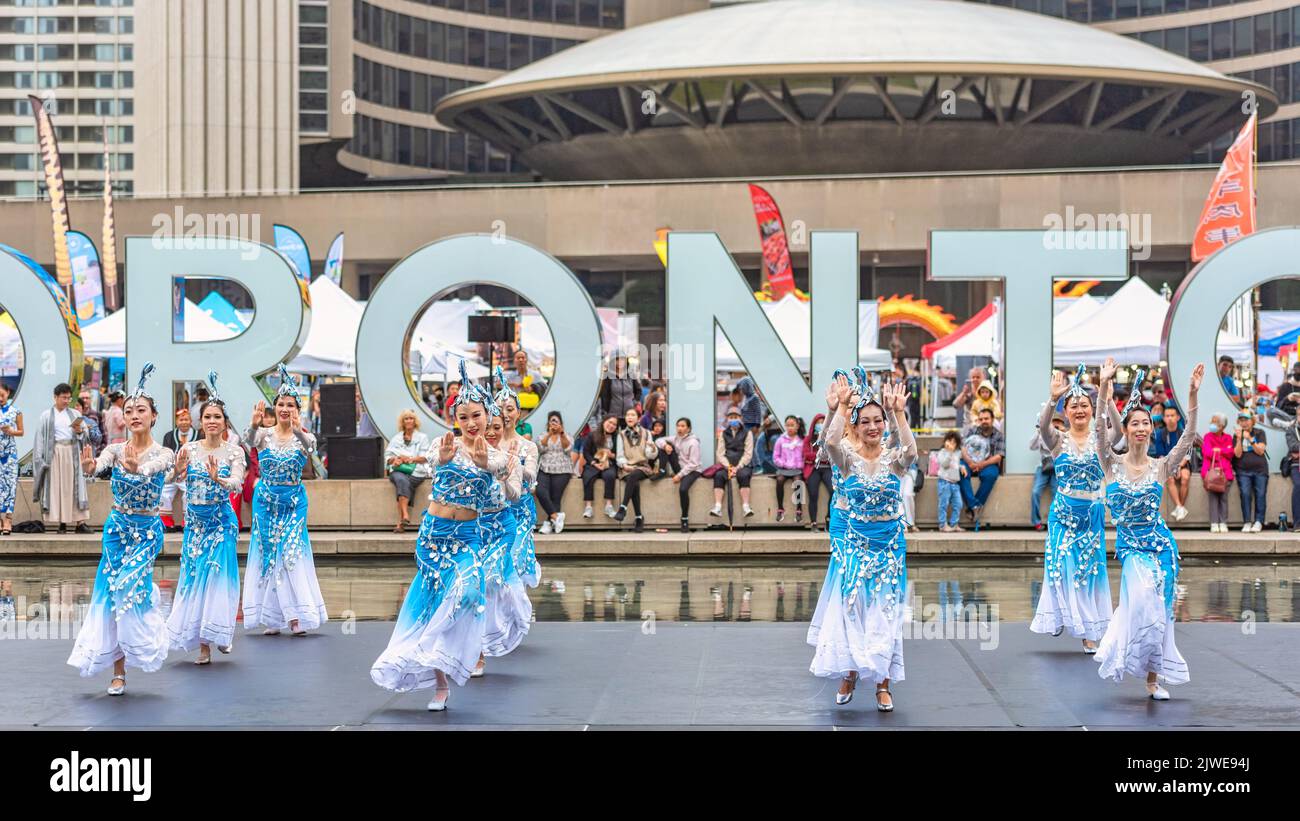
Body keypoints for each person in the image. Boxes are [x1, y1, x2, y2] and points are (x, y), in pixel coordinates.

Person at [1093, 358, 1202, 700]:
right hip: (1131, 549)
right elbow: (1098, 430)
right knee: (1140, 601)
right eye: (1134, 423)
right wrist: (1102, 387)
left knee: (1161, 613)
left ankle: (1153, 680)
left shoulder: (1161, 466)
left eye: (1145, 423)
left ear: (1150, 430)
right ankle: (1124, 650)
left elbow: (1188, 438)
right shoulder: (1110, 462)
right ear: (1125, 429)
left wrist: (1192, 396)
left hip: (1161, 548)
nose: (1140, 427)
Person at [808, 371, 915, 711]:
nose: (872, 426)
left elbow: (911, 450)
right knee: (852, 610)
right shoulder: (847, 460)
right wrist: (839, 406)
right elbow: (829, 443)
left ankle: (883, 683)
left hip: (889, 546)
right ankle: (851, 670)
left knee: (884, 614)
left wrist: (898, 412)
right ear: (855, 425)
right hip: (854, 542)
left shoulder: (893, 461)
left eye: (877, 420)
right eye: (865, 421)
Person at [67, 363, 173, 695]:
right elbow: (96, 467)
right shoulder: (114, 450)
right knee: (113, 596)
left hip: (147, 530)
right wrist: (89, 467)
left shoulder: (165, 452)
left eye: (142, 410)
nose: (135, 415)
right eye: (129, 411)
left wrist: (138, 467)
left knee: (128, 589)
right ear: (123, 418)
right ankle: (119, 671)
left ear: (153, 416)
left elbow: (155, 467)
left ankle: (151, 615)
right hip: (116, 530)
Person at [1029, 365, 1114, 653]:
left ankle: (1088, 632)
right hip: (1063, 514)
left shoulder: (1100, 440)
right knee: (1061, 567)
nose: (1079, 410)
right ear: (1066, 412)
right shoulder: (1058, 440)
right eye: (1073, 405)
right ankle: (1062, 615)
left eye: (1084, 405)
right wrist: (1053, 398)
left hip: (1091, 515)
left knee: (1088, 572)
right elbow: (1042, 427)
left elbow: (1119, 433)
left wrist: (1109, 398)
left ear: (1092, 410)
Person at [242, 365, 328, 637]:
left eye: (290, 404)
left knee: (290, 553)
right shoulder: (264, 434)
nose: (285, 408)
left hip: (293, 502)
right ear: (274, 407)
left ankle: (296, 616)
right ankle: (274, 617)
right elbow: (249, 440)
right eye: (281, 404)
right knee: (269, 555)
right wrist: (255, 422)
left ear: (296, 409)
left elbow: (310, 447)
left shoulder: (304, 436)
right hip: (265, 501)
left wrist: (297, 427)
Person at [167, 372, 246, 664]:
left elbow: (237, 482)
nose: (212, 421)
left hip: (221, 524)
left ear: (224, 422)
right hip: (195, 526)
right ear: (201, 422)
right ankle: (203, 644)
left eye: (217, 417)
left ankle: (219, 632)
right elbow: (168, 478)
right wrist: (176, 471)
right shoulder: (188, 449)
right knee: (195, 580)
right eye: (208, 416)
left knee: (217, 579)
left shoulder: (234, 451)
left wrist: (220, 480)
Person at [475, 400, 529, 675]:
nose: (493, 432)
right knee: (474, 588)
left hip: (501, 527)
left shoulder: (510, 458)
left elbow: (516, 495)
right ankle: (477, 650)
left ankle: (489, 640)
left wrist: (506, 477)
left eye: (498, 427)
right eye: (489, 427)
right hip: (474, 529)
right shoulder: (469, 456)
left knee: (491, 581)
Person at [494, 368, 540, 588]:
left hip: (519, 510)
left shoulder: (528, 446)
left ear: (518, 413)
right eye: (500, 409)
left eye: (510, 409)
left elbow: (531, 477)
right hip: (492, 512)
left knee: (514, 564)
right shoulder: (487, 445)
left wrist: (514, 462)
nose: (505, 413)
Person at [33, 383, 91, 534]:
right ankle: (62, 522)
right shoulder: (46, 415)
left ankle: (80, 522)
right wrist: (40, 459)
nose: (66, 401)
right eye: (63, 398)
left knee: (74, 486)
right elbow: (39, 438)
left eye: (68, 398)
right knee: (58, 487)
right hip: (54, 453)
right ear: (55, 397)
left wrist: (80, 431)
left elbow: (85, 435)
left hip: (72, 452)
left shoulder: (75, 414)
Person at [384, 409, 431, 534]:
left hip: (416, 471)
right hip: (399, 470)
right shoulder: (396, 438)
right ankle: (405, 516)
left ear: (415, 421)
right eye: (406, 418)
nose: (409, 421)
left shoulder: (422, 437)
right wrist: (395, 460)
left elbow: (425, 457)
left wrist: (408, 459)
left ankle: (401, 522)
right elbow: (388, 456)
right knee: (401, 479)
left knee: (403, 483)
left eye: (411, 418)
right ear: (402, 422)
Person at [614, 407, 658, 532]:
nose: (629, 417)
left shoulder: (647, 433)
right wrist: (624, 465)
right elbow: (620, 456)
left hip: (643, 466)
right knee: (635, 484)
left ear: (638, 418)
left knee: (633, 476)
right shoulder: (621, 435)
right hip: (626, 467)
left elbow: (650, 456)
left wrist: (653, 449)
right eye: (627, 415)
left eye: (632, 415)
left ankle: (623, 507)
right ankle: (639, 517)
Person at [656, 417, 702, 533]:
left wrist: (679, 475)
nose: (680, 428)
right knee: (665, 448)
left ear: (688, 428)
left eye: (683, 426)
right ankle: (661, 471)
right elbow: (658, 440)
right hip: (680, 468)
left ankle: (684, 519)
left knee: (683, 489)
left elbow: (693, 464)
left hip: (693, 470)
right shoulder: (675, 439)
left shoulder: (693, 442)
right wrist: (665, 446)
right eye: (678, 426)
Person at [959, 407, 1004, 523]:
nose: (984, 421)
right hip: (969, 461)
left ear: (992, 419)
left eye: (986, 418)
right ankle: (975, 505)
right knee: (960, 471)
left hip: (988, 463)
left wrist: (981, 464)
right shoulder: (972, 431)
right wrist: (970, 463)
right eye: (981, 419)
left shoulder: (998, 435)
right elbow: (962, 448)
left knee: (991, 475)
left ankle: (972, 507)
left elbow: (999, 456)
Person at [709, 405, 755, 518]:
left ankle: (746, 507)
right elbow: (720, 453)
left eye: (735, 417)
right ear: (727, 419)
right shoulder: (723, 434)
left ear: (740, 418)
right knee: (719, 476)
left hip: (743, 465)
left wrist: (738, 467)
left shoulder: (747, 433)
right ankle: (718, 507)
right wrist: (728, 466)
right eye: (731, 417)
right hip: (727, 465)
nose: (733, 419)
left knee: (744, 476)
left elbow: (748, 453)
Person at [534, 411, 573, 534]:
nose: (554, 424)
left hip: (562, 468)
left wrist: (561, 434)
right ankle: (556, 517)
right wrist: (549, 434)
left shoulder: (567, 435)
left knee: (556, 497)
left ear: (561, 423)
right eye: (552, 421)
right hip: (545, 467)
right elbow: (540, 448)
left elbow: (568, 449)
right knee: (540, 490)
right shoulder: (543, 435)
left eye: (556, 421)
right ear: (548, 423)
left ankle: (548, 523)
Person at [1150, 404, 1191, 521]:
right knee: (1170, 478)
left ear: (1178, 417)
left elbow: (1187, 454)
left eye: (1172, 415)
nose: (1170, 418)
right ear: (1163, 418)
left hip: (1182, 463)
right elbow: (1161, 454)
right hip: (1167, 464)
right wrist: (1172, 467)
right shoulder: (1160, 434)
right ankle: (1180, 507)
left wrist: (1178, 466)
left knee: (1185, 477)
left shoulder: (1183, 433)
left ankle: (1179, 507)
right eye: (1167, 416)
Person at [160, 408, 198, 531]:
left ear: (191, 421)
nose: (184, 422)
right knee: (164, 492)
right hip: (172, 471)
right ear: (177, 422)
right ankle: (166, 522)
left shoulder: (199, 436)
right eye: (181, 420)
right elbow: (166, 455)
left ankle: (187, 521)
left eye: (186, 419)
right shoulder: (169, 436)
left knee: (188, 493)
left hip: (190, 472)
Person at [1232, 407, 1268, 532]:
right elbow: (1237, 454)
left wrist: (1250, 439)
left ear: (1252, 421)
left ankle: (1258, 521)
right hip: (1243, 471)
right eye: (1241, 420)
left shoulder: (1260, 433)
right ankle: (1247, 521)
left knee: (1261, 495)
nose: (1244, 423)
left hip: (1260, 470)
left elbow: (1261, 451)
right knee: (1245, 494)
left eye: (1246, 420)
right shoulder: (1237, 435)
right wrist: (1239, 439)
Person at [1201, 412, 1235, 533]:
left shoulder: (1228, 438)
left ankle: (1223, 522)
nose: (1212, 423)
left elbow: (1231, 453)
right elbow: (1207, 452)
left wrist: (1218, 450)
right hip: (1210, 473)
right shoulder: (1207, 436)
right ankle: (1214, 523)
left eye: (1215, 421)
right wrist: (1222, 451)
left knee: (1223, 498)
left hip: (1225, 473)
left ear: (1222, 426)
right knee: (1213, 499)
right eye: (1212, 420)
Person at [1028, 414, 1063, 531]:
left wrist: (1061, 432)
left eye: (1058, 422)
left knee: (1057, 494)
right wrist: (1039, 431)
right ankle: (1036, 521)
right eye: (1054, 422)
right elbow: (1031, 446)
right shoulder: (1043, 434)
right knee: (1035, 492)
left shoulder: (1064, 435)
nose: (1056, 425)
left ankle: (1054, 521)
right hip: (1043, 467)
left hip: (1057, 467)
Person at [581, 414, 619, 518]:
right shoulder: (592, 435)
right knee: (588, 476)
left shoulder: (616, 437)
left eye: (614, 424)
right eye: (610, 422)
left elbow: (619, 454)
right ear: (604, 421)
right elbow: (586, 452)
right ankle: (588, 507)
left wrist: (611, 455)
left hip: (609, 463)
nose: (611, 426)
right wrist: (594, 463)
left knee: (610, 476)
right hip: (594, 463)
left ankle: (609, 506)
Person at [772, 415, 806, 523]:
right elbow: (775, 457)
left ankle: (799, 509)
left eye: (792, 425)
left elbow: (804, 456)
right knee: (779, 480)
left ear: (797, 426)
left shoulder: (802, 440)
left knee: (798, 482)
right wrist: (783, 464)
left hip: (797, 469)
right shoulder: (780, 440)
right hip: (784, 468)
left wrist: (798, 465)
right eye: (788, 425)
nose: (790, 428)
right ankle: (780, 508)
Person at [802, 413, 833, 532]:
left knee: (833, 490)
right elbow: (806, 455)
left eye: (822, 422)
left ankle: (828, 518)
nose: (820, 425)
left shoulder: (830, 438)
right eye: (818, 423)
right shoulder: (808, 439)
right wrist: (820, 455)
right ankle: (813, 523)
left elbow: (832, 454)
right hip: (813, 468)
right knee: (813, 494)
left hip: (827, 468)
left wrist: (817, 456)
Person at [0, 382, 22, 535]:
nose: (0, 398)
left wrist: (10, 431)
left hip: (10, 454)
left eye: (2, 395)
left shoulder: (16, 411)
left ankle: (8, 519)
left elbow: (21, 432)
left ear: (8, 393)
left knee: (10, 486)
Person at [935, 431, 965, 533]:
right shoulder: (943, 452)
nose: (951, 444)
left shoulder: (957, 453)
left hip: (954, 483)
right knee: (943, 504)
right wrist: (949, 453)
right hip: (944, 482)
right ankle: (943, 525)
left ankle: (954, 524)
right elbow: (944, 464)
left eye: (954, 442)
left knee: (958, 504)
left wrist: (961, 467)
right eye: (949, 441)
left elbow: (955, 464)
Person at [597, 356, 638, 425]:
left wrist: (634, 402)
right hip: (613, 414)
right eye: (617, 360)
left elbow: (638, 391)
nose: (620, 362)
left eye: (622, 360)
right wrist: (606, 410)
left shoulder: (631, 375)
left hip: (629, 414)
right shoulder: (608, 376)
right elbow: (604, 395)